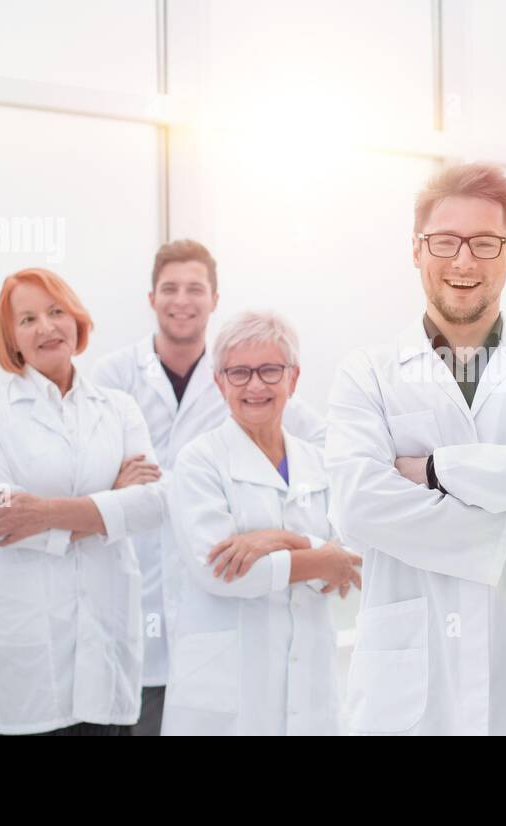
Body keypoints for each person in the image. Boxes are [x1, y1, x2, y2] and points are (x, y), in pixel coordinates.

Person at [325, 162, 506, 735]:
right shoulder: (368, 374)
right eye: (445, 242)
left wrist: (435, 470)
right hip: (411, 691)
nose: (463, 262)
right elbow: (358, 507)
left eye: (485, 243)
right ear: (416, 250)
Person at [93, 239, 326, 735]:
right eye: (170, 288)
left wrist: (153, 483)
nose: (183, 300)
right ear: (151, 298)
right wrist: (118, 482)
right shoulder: (115, 375)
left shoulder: (245, 369)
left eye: (195, 288)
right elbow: (93, 473)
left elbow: (327, 447)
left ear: (214, 299)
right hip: (137, 587)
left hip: (226, 611)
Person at [0, 268, 165, 735]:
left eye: (56, 312)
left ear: (77, 321)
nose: (47, 327)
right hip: (29, 642)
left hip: (106, 633)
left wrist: (47, 513)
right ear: (11, 338)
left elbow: (152, 504)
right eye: (28, 319)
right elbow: (0, 519)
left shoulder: (118, 408)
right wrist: (112, 503)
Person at [163, 311, 360, 736]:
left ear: (294, 378)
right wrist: (318, 556)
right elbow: (222, 572)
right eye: (239, 372)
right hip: (226, 697)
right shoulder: (199, 461)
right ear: (219, 382)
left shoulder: (318, 462)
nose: (255, 385)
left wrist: (276, 541)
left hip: (311, 694)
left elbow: (346, 562)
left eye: (270, 370)